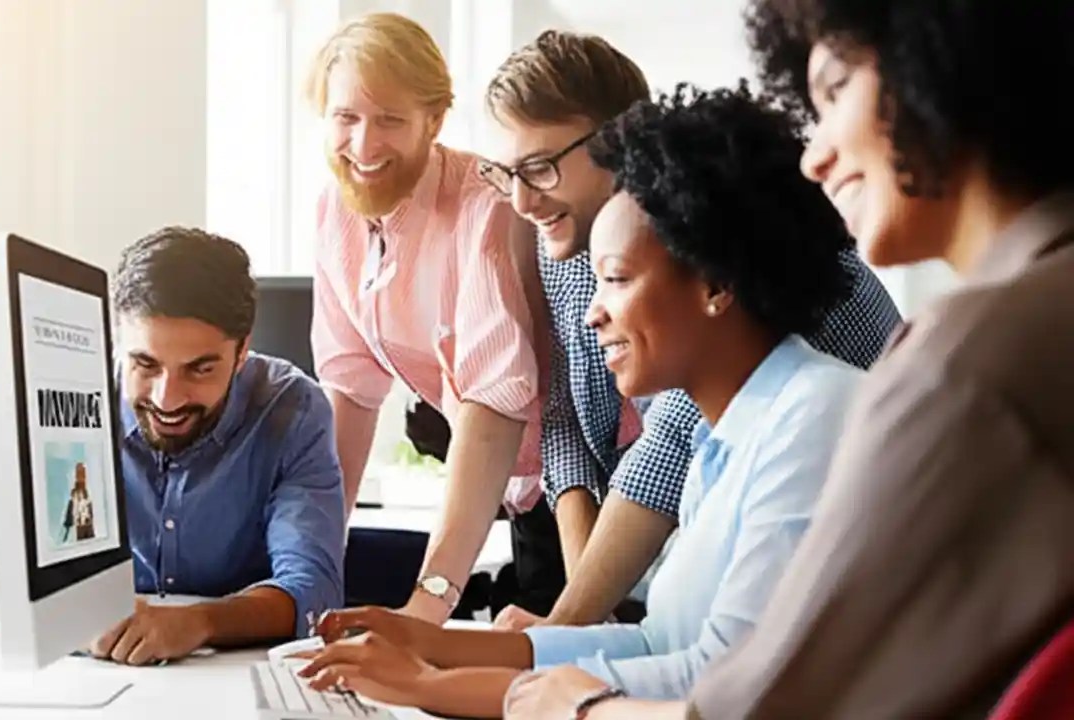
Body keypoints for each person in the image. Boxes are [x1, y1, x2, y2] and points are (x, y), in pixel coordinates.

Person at [503, 2, 1074, 718]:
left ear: (942, 69)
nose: (816, 155)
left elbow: (767, 705)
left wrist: (581, 706)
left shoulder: (968, 363)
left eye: (835, 93)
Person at [298, 83, 868, 716]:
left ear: (717, 284)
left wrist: (428, 685)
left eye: (618, 280)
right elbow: (656, 641)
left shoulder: (815, 415)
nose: (596, 313)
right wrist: (434, 643)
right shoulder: (720, 438)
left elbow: (722, 681)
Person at [478, 30, 901, 631]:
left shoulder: (727, 245)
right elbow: (567, 419)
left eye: (541, 168)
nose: (521, 200)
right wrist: (576, 621)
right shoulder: (566, 246)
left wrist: (565, 627)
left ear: (615, 143)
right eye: (505, 173)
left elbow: (670, 445)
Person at [0, 227, 347, 665]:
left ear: (242, 351)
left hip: (222, 682)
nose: (166, 399)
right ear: (117, 340)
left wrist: (201, 622)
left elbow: (313, 593)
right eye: (145, 363)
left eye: (199, 369)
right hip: (78, 678)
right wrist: (76, 623)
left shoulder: (293, 410)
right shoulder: (51, 392)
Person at [307, 12, 564, 622]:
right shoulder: (333, 211)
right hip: (516, 494)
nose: (364, 146)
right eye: (346, 118)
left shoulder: (486, 206)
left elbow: (494, 401)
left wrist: (432, 600)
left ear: (434, 120)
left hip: (580, 486)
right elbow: (351, 390)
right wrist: (315, 567)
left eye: (390, 120)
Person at [61, 462, 95, 542]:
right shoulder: (75, 492)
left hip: (88, 524)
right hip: (80, 525)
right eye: (79, 473)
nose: (81, 476)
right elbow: (72, 506)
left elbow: (90, 505)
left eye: (82, 473)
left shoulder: (87, 490)